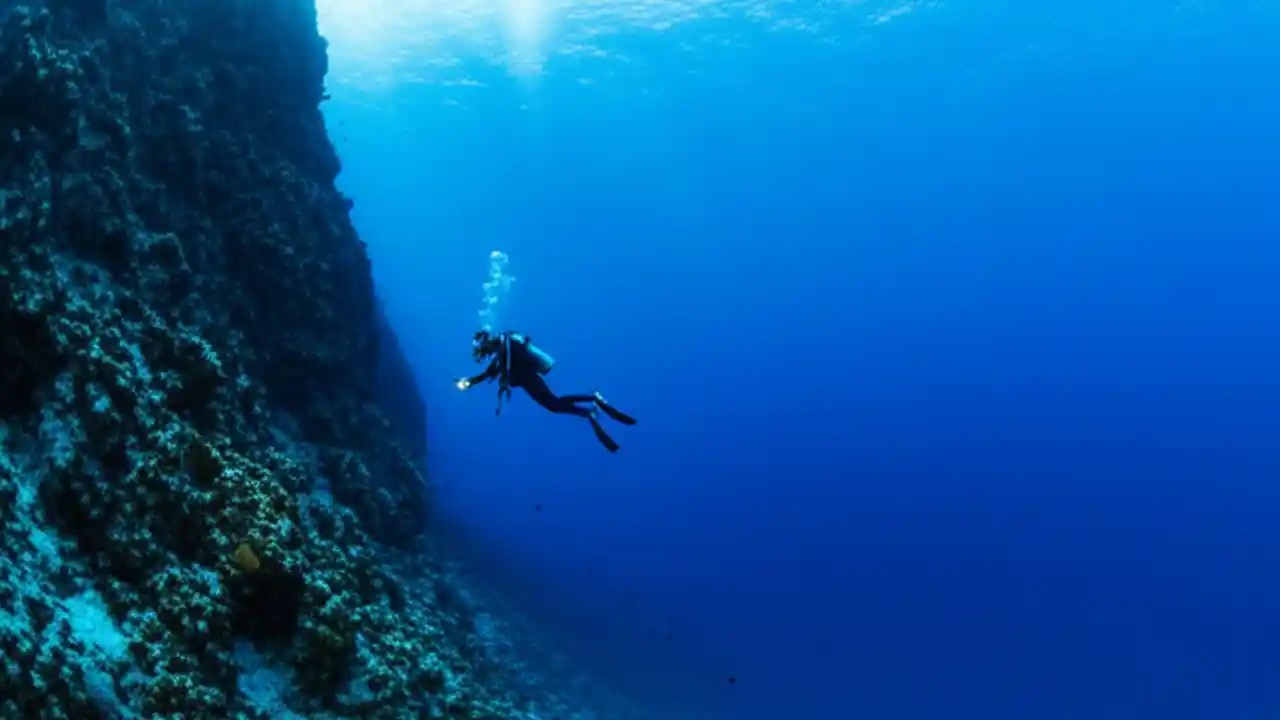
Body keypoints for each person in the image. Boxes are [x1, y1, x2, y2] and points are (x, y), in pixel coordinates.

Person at [455, 330, 636, 452]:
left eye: (482, 347)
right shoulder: (501, 355)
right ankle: (590, 405)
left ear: (486, 341)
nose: (482, 351)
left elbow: (490, 371)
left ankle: (591, 404)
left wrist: (471, 381)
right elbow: (487, 374)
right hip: (530, 382)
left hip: (531, 380)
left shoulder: (505, 347)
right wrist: (469, 382)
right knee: (554, 404)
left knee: (554, 404)